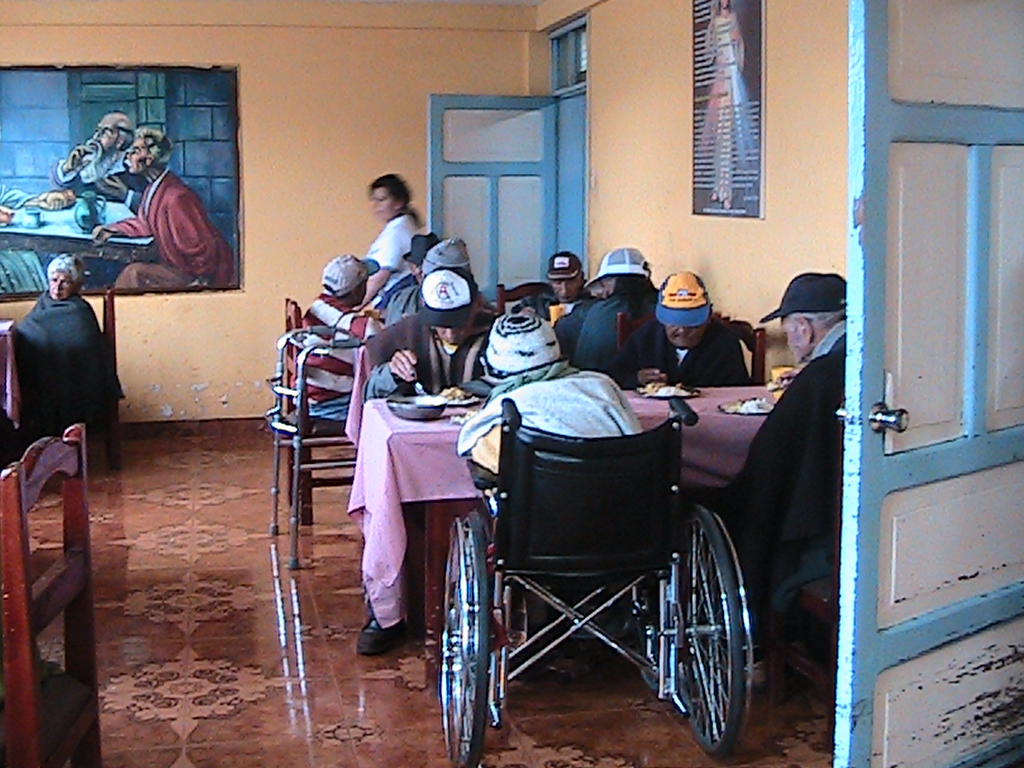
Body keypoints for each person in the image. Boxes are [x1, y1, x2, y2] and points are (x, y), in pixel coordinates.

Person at [715, 272, 846, 645]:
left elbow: (766, 470)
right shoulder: (865, 359)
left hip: (814, 537)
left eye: (789, 330)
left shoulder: (820, 379)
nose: (789, 339)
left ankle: (753, 641)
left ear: (804, 328)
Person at [457, 308, 641, 475]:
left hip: (542, 510)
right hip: (621, 506)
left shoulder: (502, 419)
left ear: (494, 370)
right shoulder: (604, 387)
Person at [92, 127, 235, 291]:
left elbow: (201, 249)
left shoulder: (176, 198)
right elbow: (143, 224)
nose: (128, 156)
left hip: (198, 275)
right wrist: (112, 230)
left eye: (135, 151)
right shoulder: (154, 188)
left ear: (149, 159)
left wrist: (201, 282)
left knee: (133, 274)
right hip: (178, 268)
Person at [14, 254, 123, 443]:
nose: (57, 288)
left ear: (76, 285)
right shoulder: (44, 303)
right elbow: (26, 331)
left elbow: (82, 345)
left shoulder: (79, 311)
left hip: (73, 380)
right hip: (45, 370)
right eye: (54, 280)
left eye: (65, 282)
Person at [363, 267, 496, 401]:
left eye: (459, 324)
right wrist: (391, 373)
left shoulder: (500, 335)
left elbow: (512, 385)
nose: (450, 335)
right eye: (442, 325)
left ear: (477, 304)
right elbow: (369, 395)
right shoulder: (407, 332)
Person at [609, 270, 751, 389]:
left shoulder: (725, 343)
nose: (682, 331)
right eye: (674, 323)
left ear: (708, 318)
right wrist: (637, 378)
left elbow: (738, 392)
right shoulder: (644, 338)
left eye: (692, 324)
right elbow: (613, 379)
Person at [300, 255, 384, 422]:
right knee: (387, 405)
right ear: (355, 291)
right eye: (365, 283)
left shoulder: (316, 308)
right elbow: (380, 365)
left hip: (309, 395)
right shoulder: (361, 326)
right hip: (332, 402)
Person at [554, 247, 658, 373]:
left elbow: (561, 333)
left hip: (597, 385)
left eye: (603, 284)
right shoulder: (663, 305)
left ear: (611, 281)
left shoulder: (593, 310)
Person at [699, 0, 752, 211]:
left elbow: (739, 44)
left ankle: (726, 189)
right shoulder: (715, 21)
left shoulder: (732, 19)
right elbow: (708, 48)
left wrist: (733, 44)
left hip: (730, 72)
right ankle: (717, 186)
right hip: (720, 72)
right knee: (717, 134)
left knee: (727, 133)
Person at [51, 111, 144, 211]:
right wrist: (68, 168)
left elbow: (150, 208)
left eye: (105, 132)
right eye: (97, 131)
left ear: (121, 140)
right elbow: (60, 187)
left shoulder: (135, 170)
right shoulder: (86, 165)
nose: (95, 137)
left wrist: (125, 195)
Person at [358, 174, 421, 310]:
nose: (376, 206)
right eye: (374, 200)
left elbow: (382, 275)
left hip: (395, 301)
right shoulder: (399, 226)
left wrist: (357, 306)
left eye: (382, 200)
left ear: (398, 202)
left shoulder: (398, 231)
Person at [383, 232, 440, 328]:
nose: (425, 273)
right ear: (412, 268)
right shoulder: (401, 299)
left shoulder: (456, 295)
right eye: (421, 266)